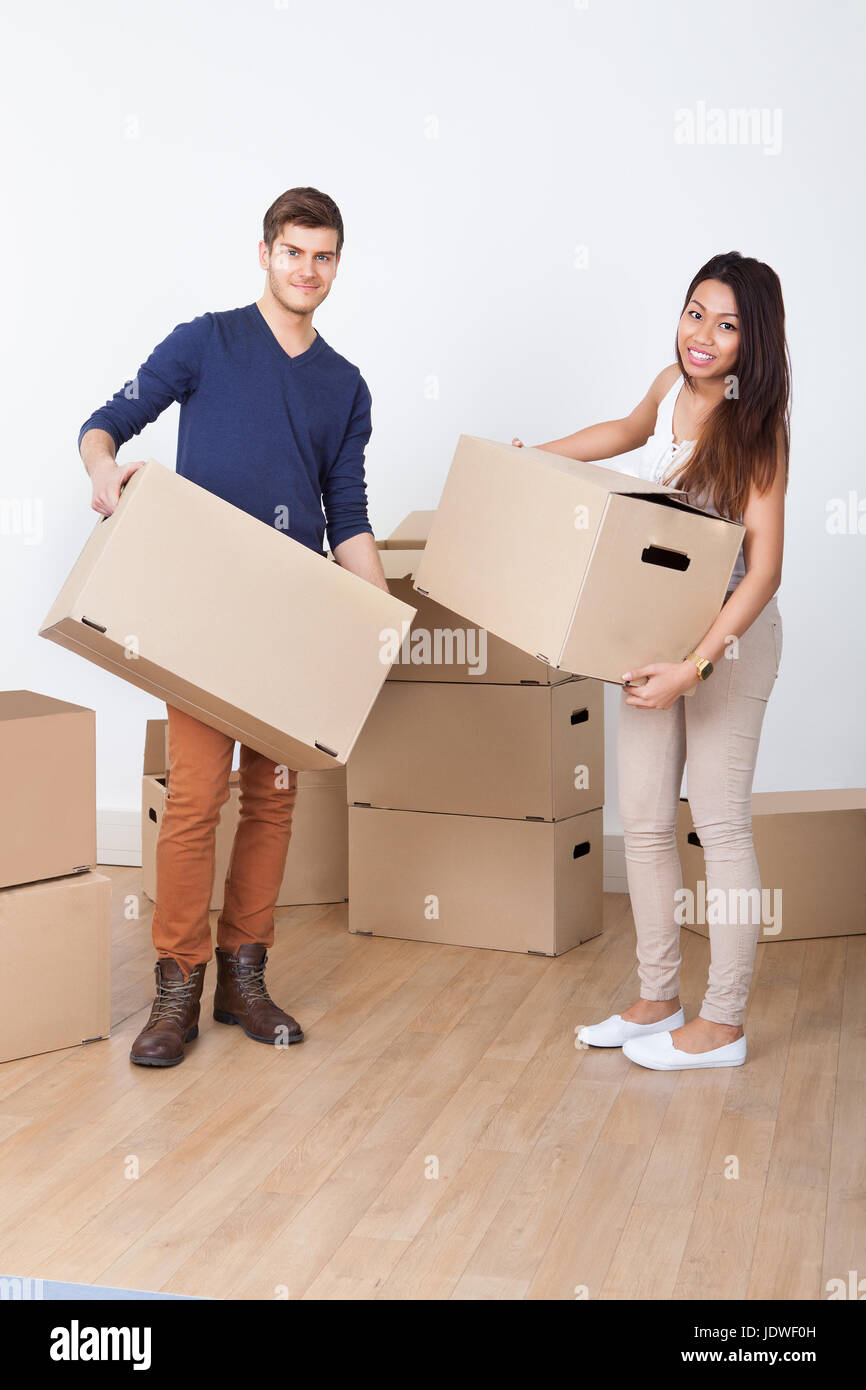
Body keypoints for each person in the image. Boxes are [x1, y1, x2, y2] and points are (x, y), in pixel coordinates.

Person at [78, 187, 390, 1067]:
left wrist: (386, 623)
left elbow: (350, 516)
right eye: (294, 252)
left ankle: (243, 975)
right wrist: (105, 472)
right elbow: (104, 424)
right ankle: (176, 987)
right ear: (264, 253)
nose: (308, 270)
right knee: (193, 798)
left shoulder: (344, 385)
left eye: (324, 256)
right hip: (206, 614)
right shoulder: (205, 342)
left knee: (275, 799)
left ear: (337, 265)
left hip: (293, 620)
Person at [514, 251, 788, 1070]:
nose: (703, 335)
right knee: (641, 818)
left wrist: (693, 668)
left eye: (727, 324)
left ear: (754, 341)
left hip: (727, 645)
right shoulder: (671, 383)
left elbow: (766, 569)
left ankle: (725, 1024)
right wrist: (541, 457)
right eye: (695, 312)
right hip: (653, 637)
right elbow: (626, 433)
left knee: (721, 823)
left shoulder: (756, 427)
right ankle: (658, 997)